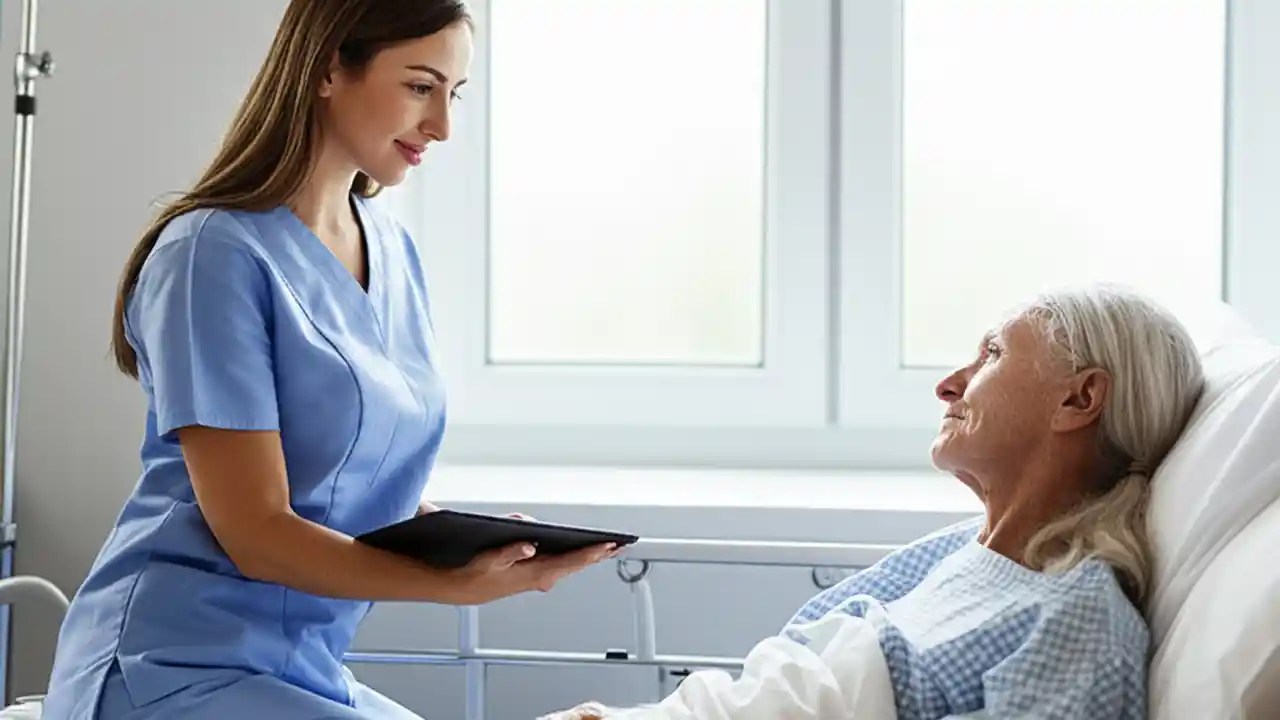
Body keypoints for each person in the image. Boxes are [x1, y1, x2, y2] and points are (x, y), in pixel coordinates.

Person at [42, 2, 617, 718]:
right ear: (327, 68)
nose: (442, 125)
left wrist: (469, 544)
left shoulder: (391, 249)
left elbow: (350, 484)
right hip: (171, 665)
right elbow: (257, 533)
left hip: (302, 664)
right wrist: (452, 587)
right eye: (420, 87)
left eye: (455, 94)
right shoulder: (210, 256)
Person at [549, 284, 1205, 720]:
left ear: (1079, 399)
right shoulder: (957, 552)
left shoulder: (1079, 621)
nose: (949, 385)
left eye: (992, 354)